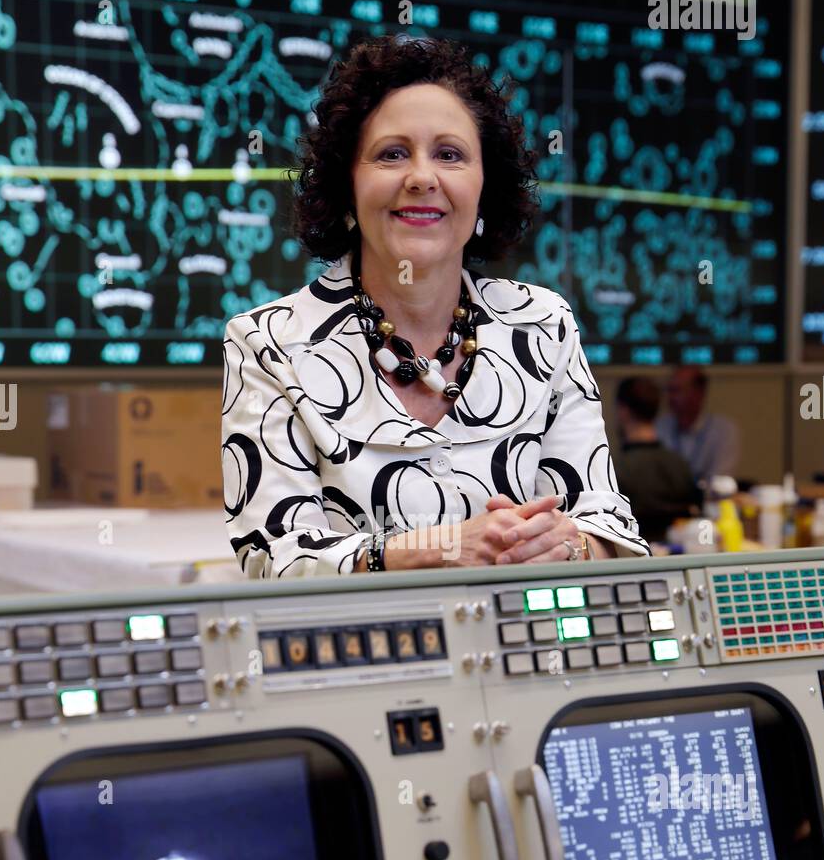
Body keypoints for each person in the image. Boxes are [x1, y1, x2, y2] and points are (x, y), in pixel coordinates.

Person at [222, 34, 649, 578]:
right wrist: (445, 550)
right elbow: (273, 559)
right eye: (392, 154)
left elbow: (610, 524)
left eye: (449, 155)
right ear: (347, 184)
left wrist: (567, 543)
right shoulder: (269, 343)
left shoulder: (543, 325)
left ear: (483, 188)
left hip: (523, 652)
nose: (422, 178)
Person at [614, 377, 703, 544]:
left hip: (634, 560)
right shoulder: (681, 466)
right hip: (680, 559)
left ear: (622, 410)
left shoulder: (615, 471)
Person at [655, 366, 740, 485]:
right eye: (669, 390)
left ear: (698, 393)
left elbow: (720, 482)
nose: (670, 397)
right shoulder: (659, 428)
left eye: (676, 390)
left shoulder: (723, 431)